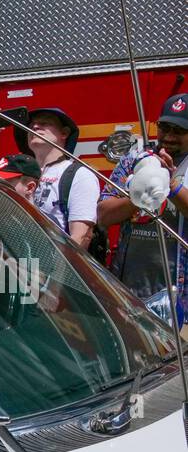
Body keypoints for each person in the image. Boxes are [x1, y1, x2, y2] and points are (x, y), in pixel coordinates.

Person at [97, 92, 188, 315]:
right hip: (129, 290)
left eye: (180, 131)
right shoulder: (133, 161)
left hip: (180, 296)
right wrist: (139, 195)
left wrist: (171, 185)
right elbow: (103, 215)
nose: (169, 136)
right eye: (165, 127)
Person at [16, 108, 99, 248]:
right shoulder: (17, 173)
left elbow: (81, 236)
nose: (35, 126)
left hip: (51, 265)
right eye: (30, 126)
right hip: (14, 263)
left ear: (64, 133)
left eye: (45, 122)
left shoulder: (80, 175)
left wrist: (61, 270)